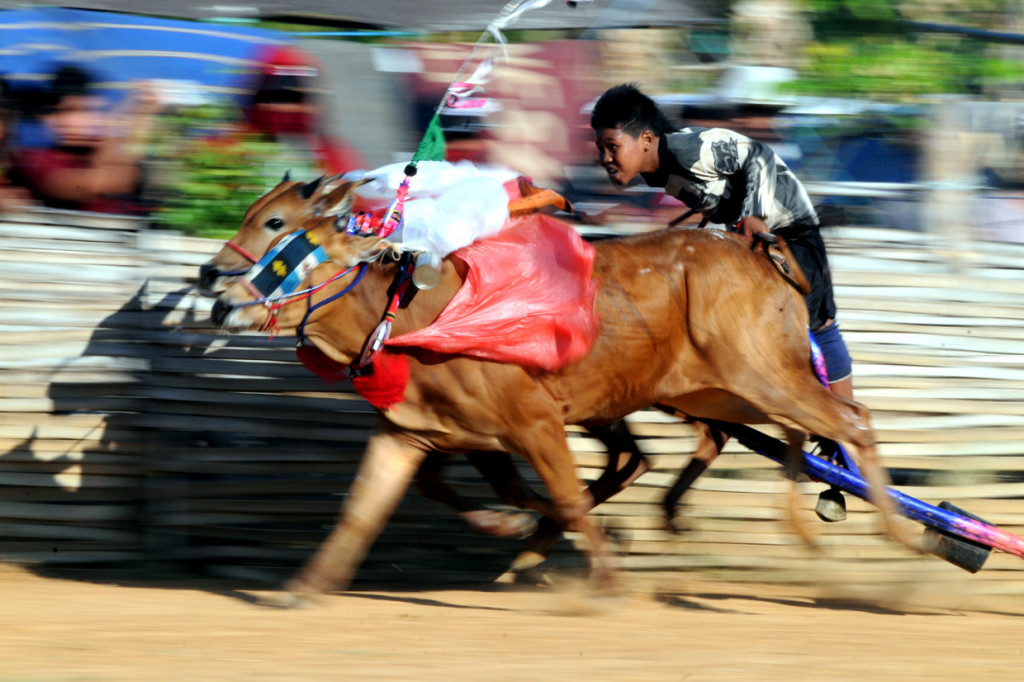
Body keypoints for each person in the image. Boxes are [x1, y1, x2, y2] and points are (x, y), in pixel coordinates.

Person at [590, 82, 853, 399]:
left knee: (820, 323)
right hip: (744, 233)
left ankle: (846, 426)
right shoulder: (655, 170)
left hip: (790, 226)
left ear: (646, 139)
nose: (604, 158)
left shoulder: (688, 149)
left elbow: (758, 155)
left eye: (611, 146)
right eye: (600, 148)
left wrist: (754, 213)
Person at [7, 64, 161, 214]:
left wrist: (137, 113)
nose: (86, 119)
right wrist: (137, 117)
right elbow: (111, 182)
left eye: (93, 110)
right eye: (71, 111)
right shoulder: (37, 161)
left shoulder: (92, 151)